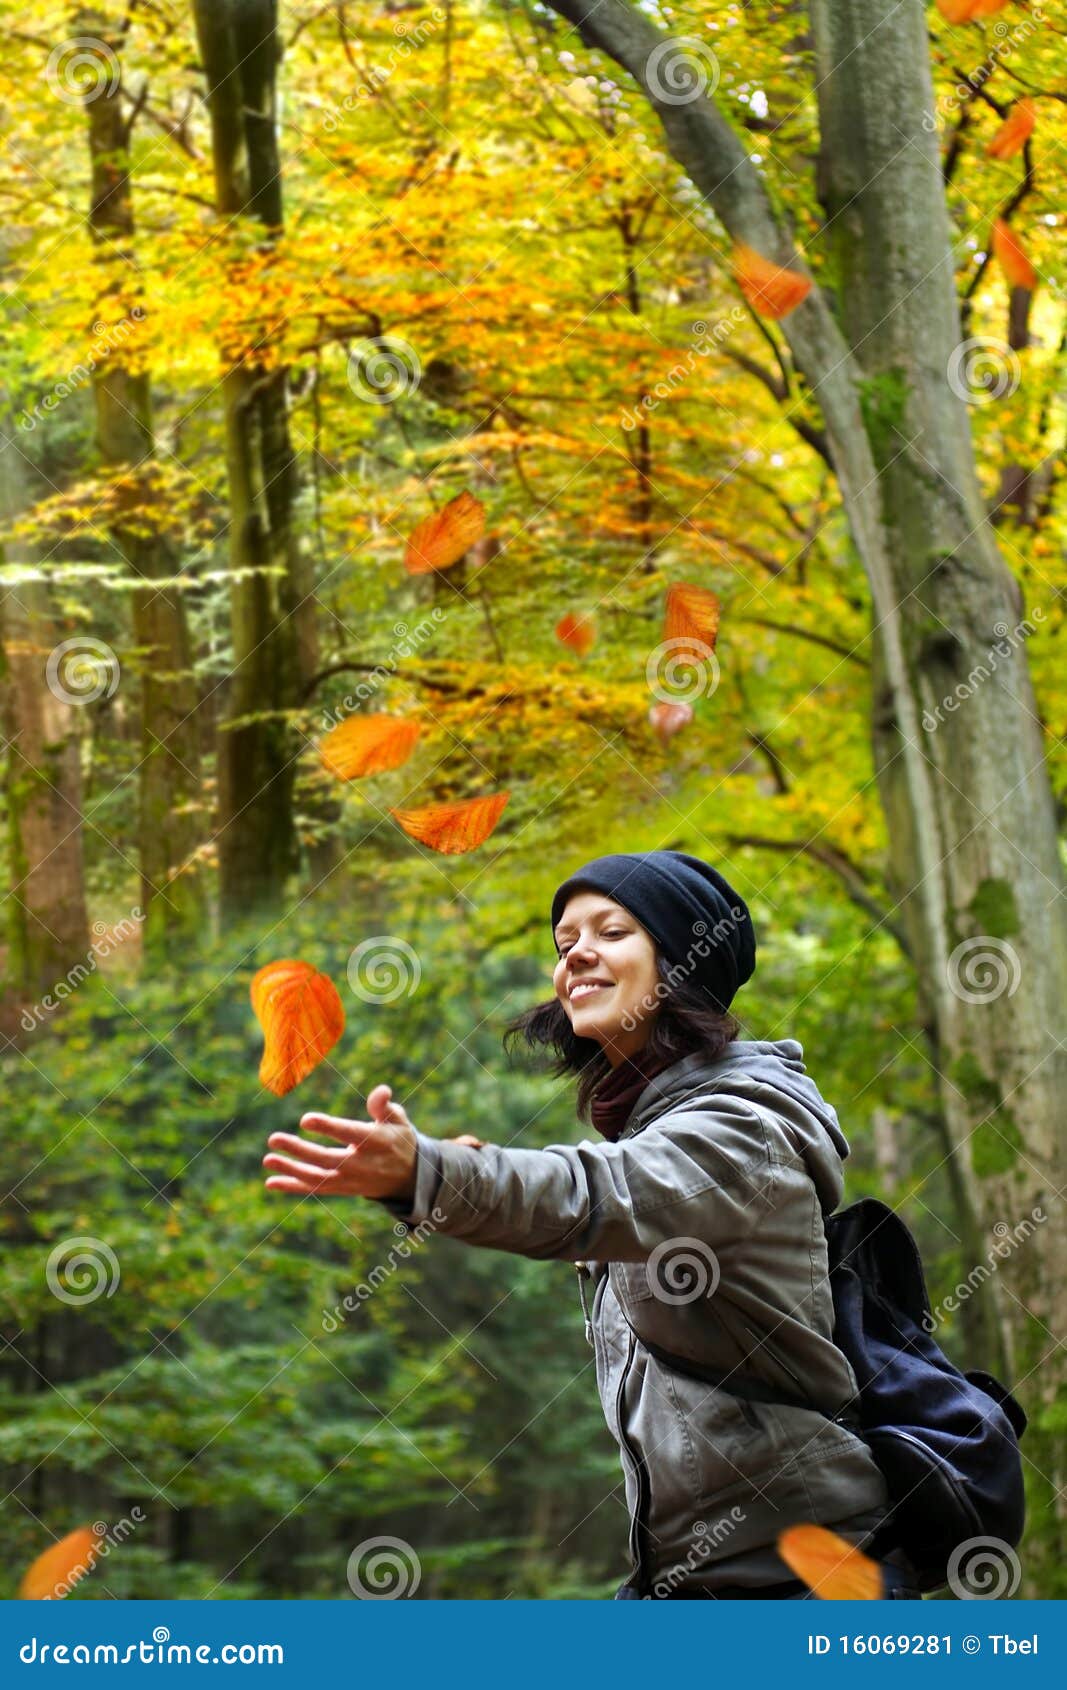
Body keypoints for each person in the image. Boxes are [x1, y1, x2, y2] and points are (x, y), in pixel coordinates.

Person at [263, 849, 921, 1600]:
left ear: (680, 964)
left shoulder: (743, 1130)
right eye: (563, 941)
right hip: (687, 1584)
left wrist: (430, 1174)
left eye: (611, 931)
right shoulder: (657, 1130)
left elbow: (592, 1196)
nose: (576, 951)